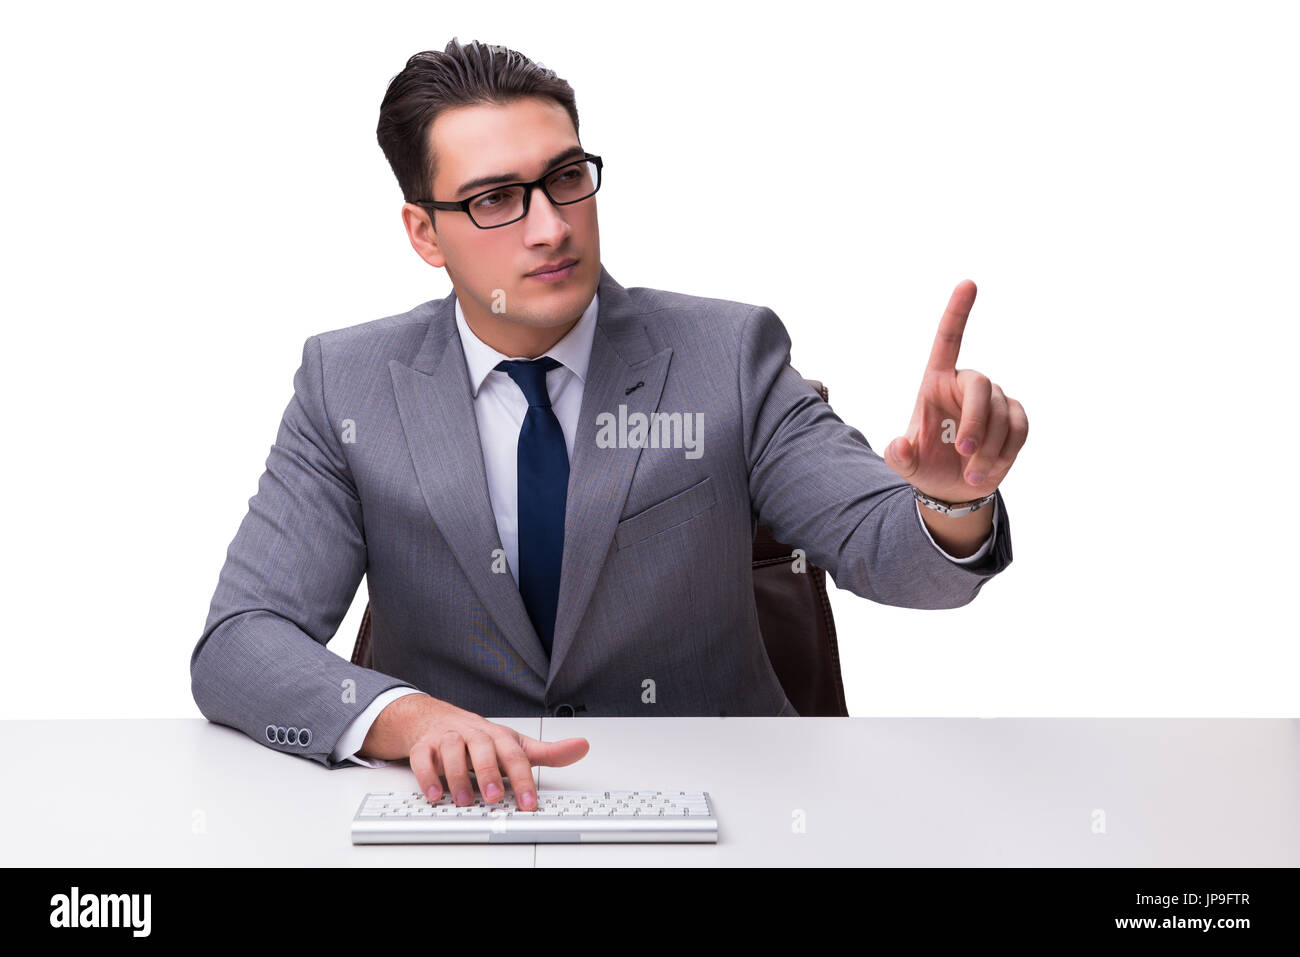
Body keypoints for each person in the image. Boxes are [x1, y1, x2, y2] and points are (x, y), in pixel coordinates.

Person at [191, 38, 1027, 813]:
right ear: (424, 233)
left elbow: (893, 553)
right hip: (455, 814)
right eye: (495, 199)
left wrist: (950, 504)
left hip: (726, 808)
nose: (551, 225)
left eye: (565, 178)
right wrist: (409, 721)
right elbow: (239, 641)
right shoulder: (350, 384)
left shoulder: (727, 354)